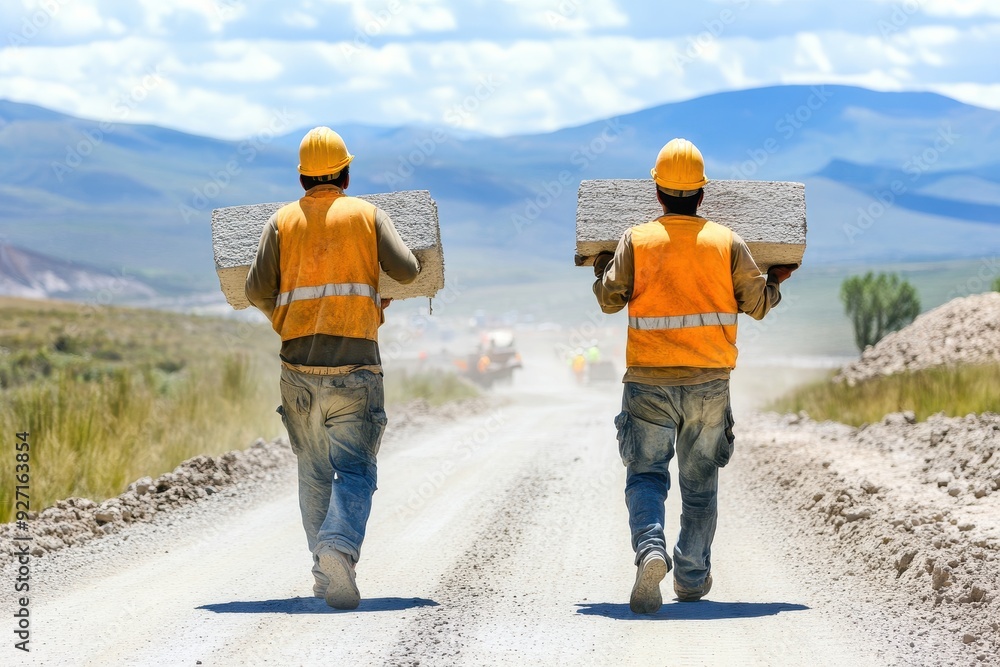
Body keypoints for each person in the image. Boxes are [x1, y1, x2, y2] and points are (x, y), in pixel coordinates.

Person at [592, 138, 796, 614]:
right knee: (700, 482)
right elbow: (757, 306)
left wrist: (603, 269)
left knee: (646, 475)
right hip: (709, 383)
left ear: (657, 192)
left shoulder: (636, 240)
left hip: (648, 382)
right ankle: (691, 576)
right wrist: (776, 285)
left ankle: (651, 549)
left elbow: (609, 299)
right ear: (702, 195)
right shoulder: (727, 242)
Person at [245, 126, 421, 609]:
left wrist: (284, 316)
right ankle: (338, 549)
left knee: (314, 470)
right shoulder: (366, 215)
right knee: (357, 471)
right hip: (356, 367)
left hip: (297, 366)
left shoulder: (281, 222)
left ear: (302, 178)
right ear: (346, 171)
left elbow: (257, 291)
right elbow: (407, 270)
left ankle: (324, 576)